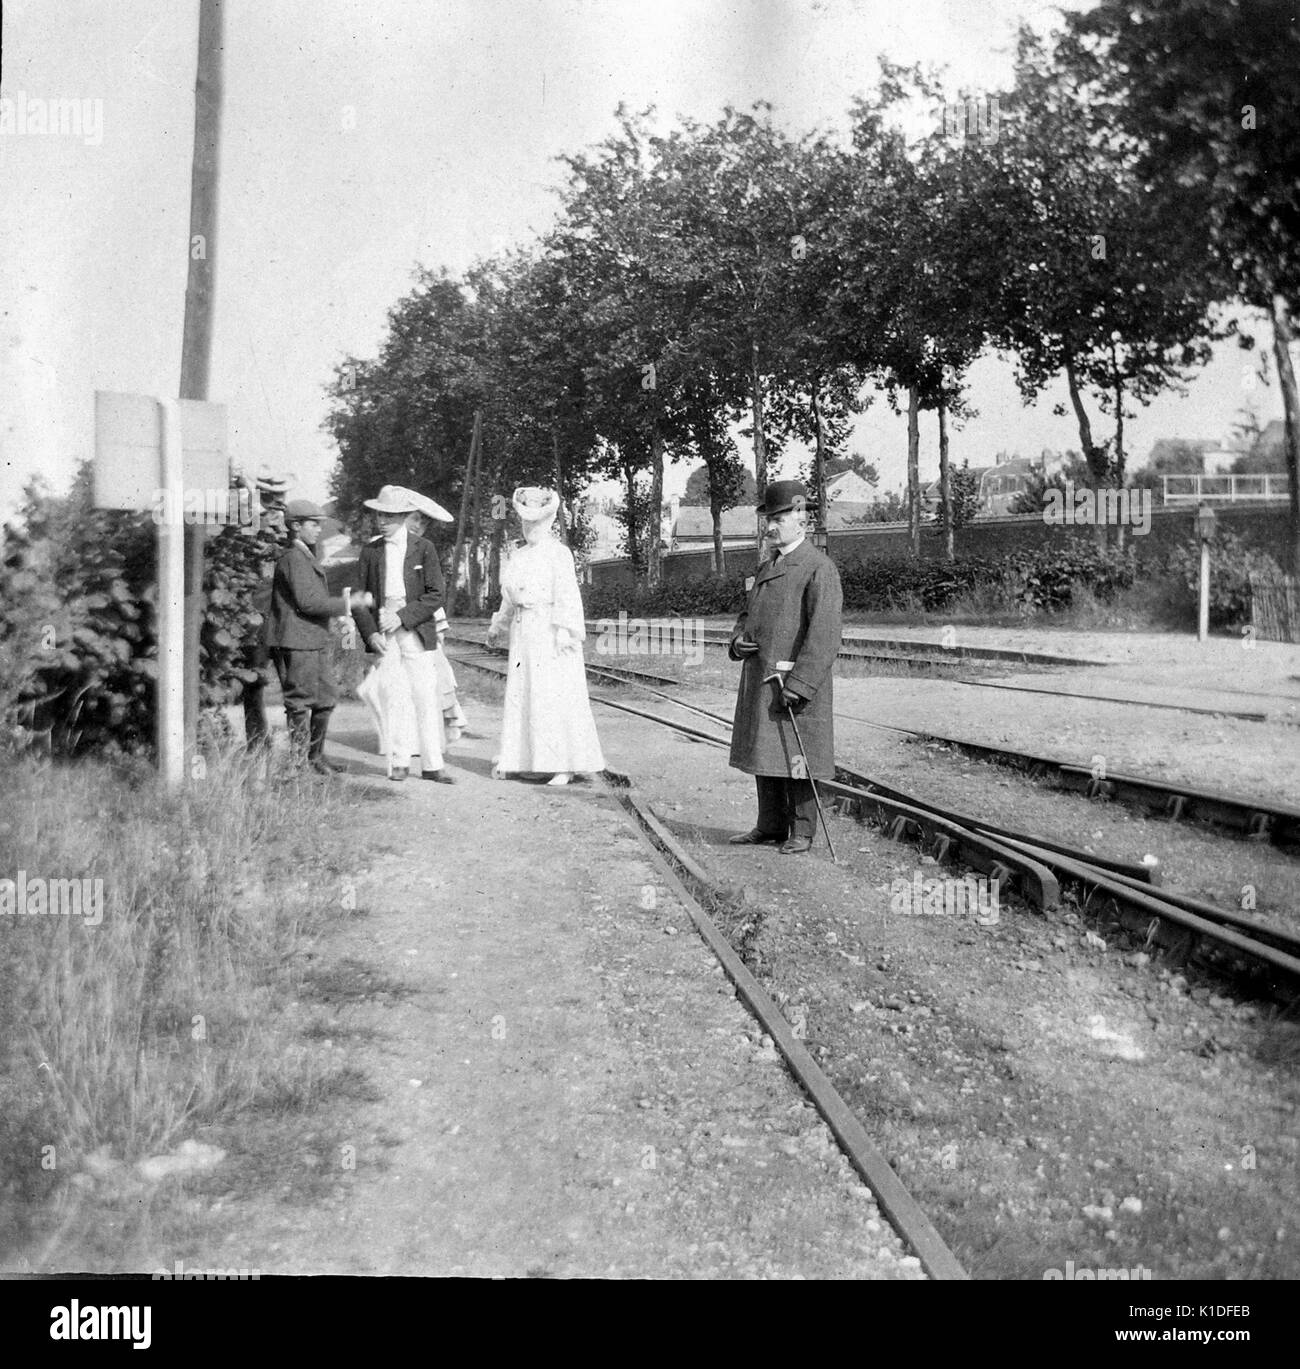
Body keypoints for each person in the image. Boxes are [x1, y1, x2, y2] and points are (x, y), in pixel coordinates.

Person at [727, 480, 842, 854]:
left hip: (791, 679)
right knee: (767, 750)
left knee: (799, 755)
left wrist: (800, 683)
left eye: (778, 519)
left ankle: (803, 831)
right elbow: (747, 616)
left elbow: (825, 634)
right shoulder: (767, 567)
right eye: (768, 519)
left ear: (801, 522)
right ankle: (770, 825)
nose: (771, 526)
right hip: (762, 675)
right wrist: (738, 639)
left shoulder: (817, 568)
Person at [485, 487, 603, 784]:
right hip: (523, 633)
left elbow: (567, 595)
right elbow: (509, 598)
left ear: (549, 522)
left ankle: (563, 764)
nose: (530, 529)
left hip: (550, 631)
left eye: (536, 523)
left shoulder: (559, 553)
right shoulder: (518, 555)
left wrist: (565, 632)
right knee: (525, 695)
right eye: (525, 523)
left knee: (553, 695)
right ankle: (527, 760)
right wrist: (497, 625)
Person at [350, 485, 455, 783]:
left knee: (425, 694)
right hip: (384, 631)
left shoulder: (424, 548)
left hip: (415, 629)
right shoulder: (370, 551)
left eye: (390, 516)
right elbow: (360, 599)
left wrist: (402, 617)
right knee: (394, 696)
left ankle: (433, 765)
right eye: (380, 515)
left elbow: (436, 595)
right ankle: (399, 761)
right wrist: (371, 635)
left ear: (405, 516)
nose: (382, 521)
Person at [266, 499, 372, 775]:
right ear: (296, 526)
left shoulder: (305, 555)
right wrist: (349, 604)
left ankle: (315, 757)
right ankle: (298, 763)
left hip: (311, 638)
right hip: (295, 639)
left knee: (326, 697)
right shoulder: (293, 558)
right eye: (313, 524)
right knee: (300, 702)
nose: (318, 529)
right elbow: (308, 603)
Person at [404, 491, 470, 743]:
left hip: (424, 622)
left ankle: (432, 733)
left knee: (435, 674)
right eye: (414, 519)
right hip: (401, 623)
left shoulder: (423, 550)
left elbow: (433, 590)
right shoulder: (388, 548)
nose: (419, 526)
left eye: (424, 522)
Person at [236, 470, 289, 752]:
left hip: (284, 619)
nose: (274, 507)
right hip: (255, 620)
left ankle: (303, 746)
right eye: (269, 499)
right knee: (254, 684)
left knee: (293, 683)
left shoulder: (290, 530)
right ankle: (257, 743)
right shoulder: (249, 523)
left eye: (278, 500)